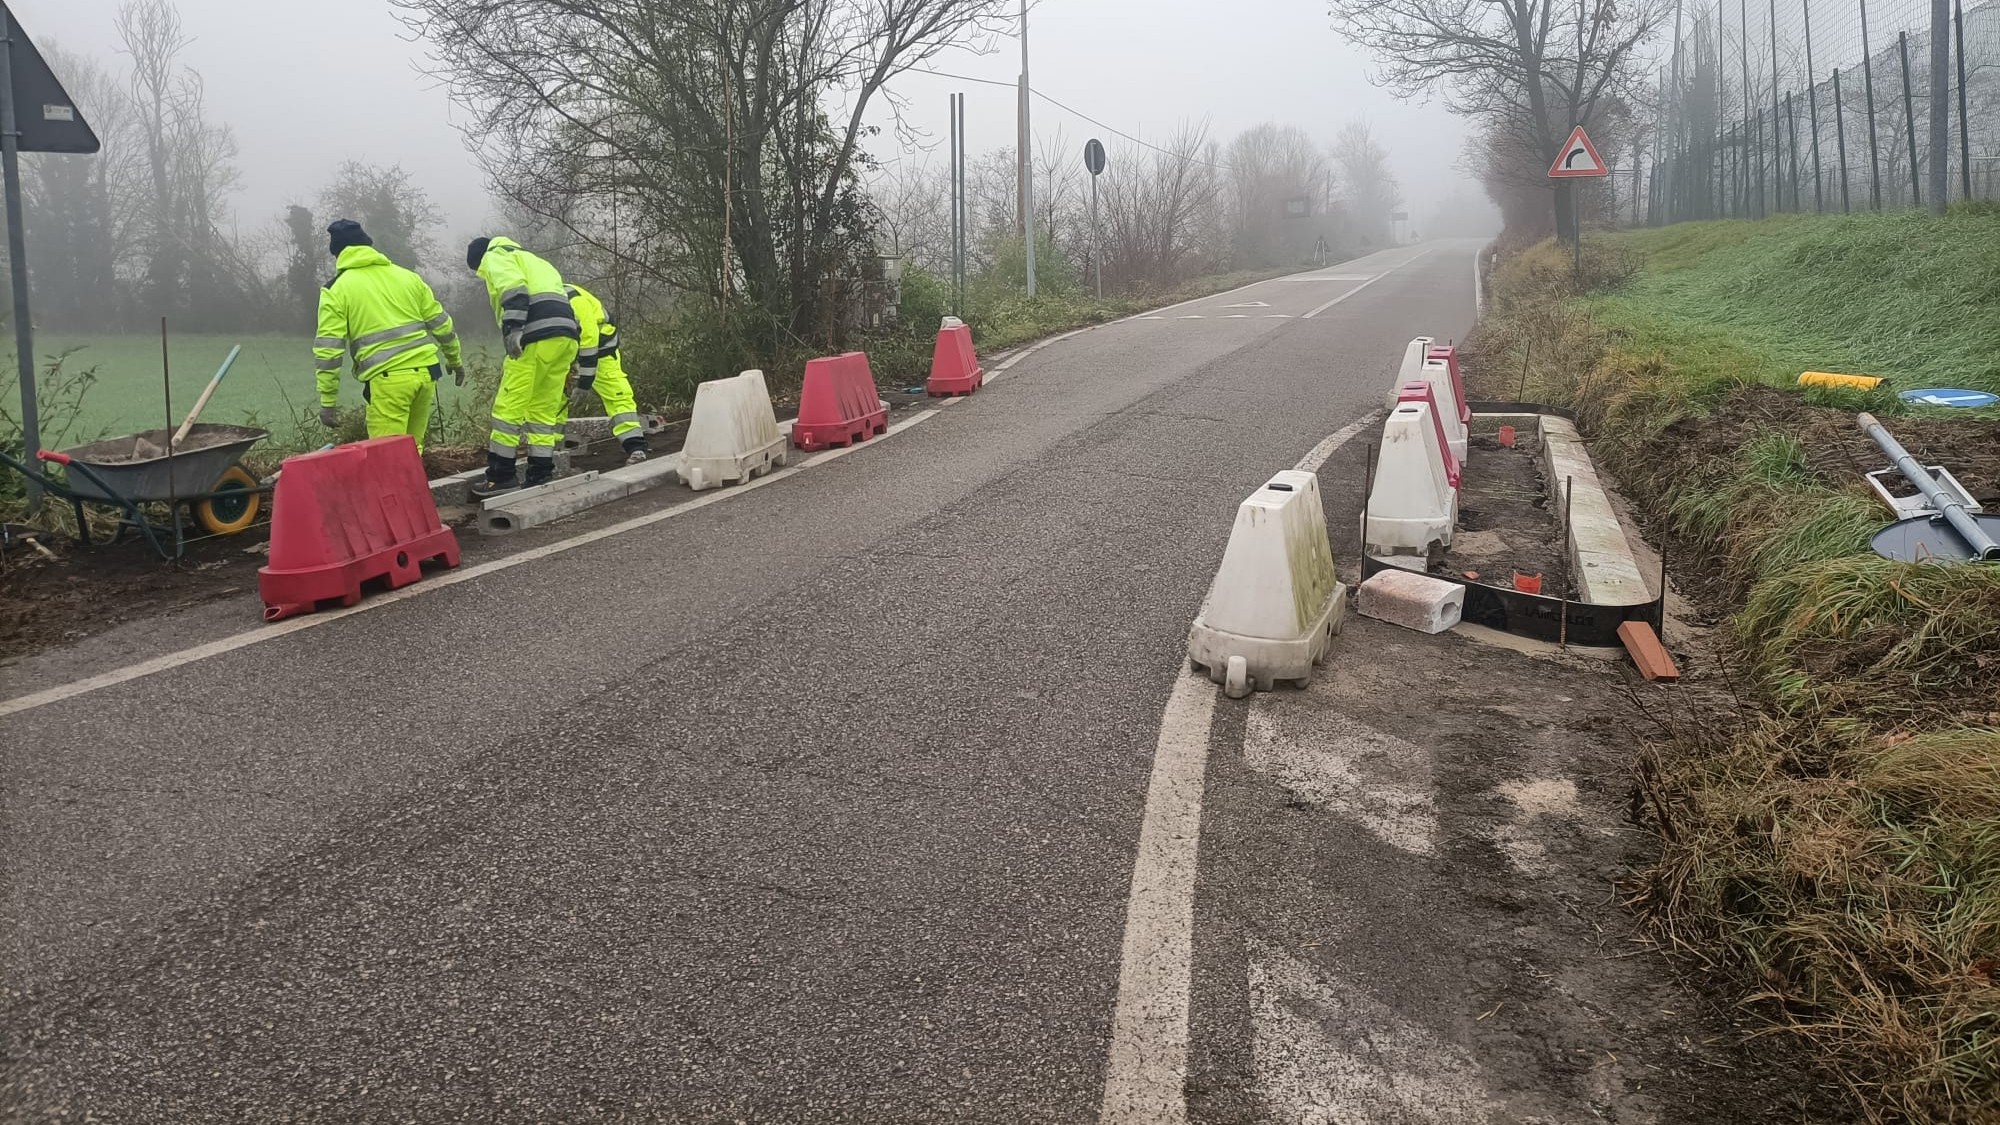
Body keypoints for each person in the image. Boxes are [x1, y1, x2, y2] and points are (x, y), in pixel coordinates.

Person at [312, 220, 463, 452]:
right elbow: (442, 324)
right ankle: (413, 478)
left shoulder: (336, 289)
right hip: (426, 373)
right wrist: (454, 359)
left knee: (386, 456)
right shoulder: (408, 277)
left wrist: (328, 401)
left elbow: (329, 351)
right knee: (412, 450)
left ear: (338, 253)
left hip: (388, 381)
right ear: (368, 245)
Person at [465, 236, 581, 495]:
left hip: (533, 336)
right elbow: (564, 301)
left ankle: (501, 477)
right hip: (565, 337)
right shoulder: (537, 262)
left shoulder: (496, 256)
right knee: (543, 411)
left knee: (508, 409)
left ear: (480, 260)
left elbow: (513, 288)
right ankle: (540, 473)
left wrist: (514, 329)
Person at [564, 283, 650, 464]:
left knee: (617, 395)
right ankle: (553, 452)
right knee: (556, 399)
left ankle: (635, 447)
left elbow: (589, 337)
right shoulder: (542, 298)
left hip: (601, 349)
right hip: (568, 352)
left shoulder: (572, 298)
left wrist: (585, 381)